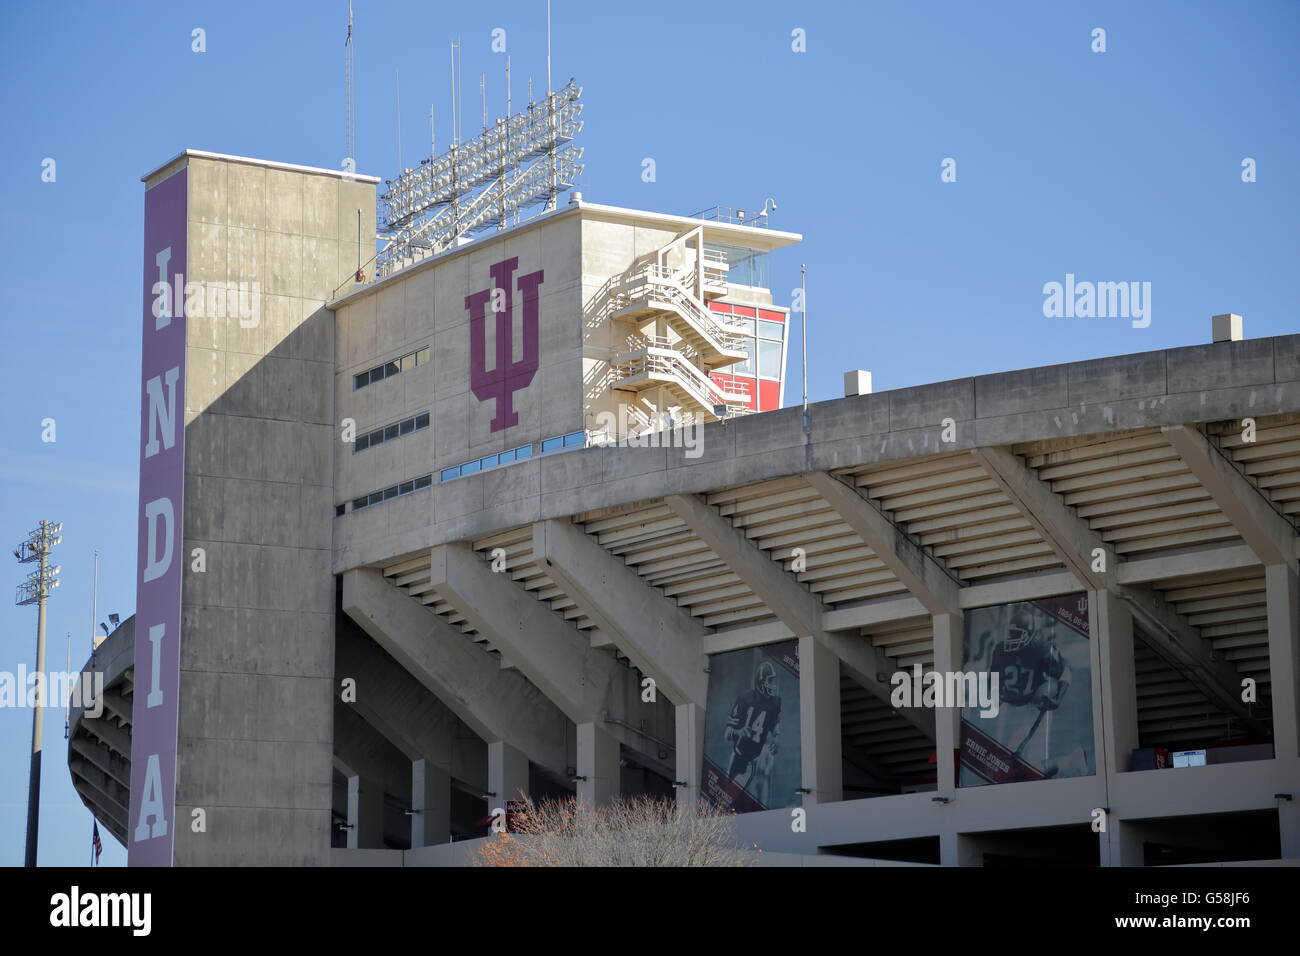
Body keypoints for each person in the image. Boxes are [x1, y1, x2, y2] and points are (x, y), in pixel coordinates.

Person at [723, 659, 782, 798]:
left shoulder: (775, 703)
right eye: (770, 680)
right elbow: (727, 734)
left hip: (752, 762)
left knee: (744, 800)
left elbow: (775, 724)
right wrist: (738, 732)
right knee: (726, 799)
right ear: (761, 682)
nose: (772, 684)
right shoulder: (745, 698)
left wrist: (777, 738)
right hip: (737, 757)